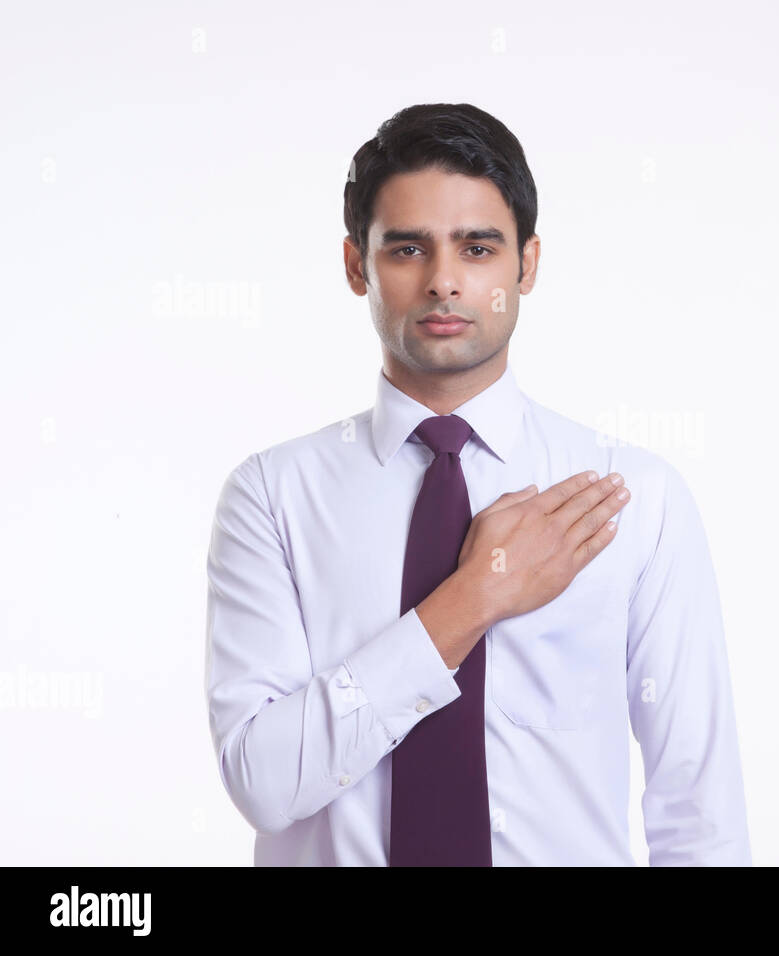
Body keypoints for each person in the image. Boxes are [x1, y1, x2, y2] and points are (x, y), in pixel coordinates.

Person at [203, 103, 751, 865]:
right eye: (406, 250)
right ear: (356, 265)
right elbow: (263, 781)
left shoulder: (634, 497)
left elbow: (698, 806)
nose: (444, 282)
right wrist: (476, 597)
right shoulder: (272, 496)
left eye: (478, 248)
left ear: (526, 264)